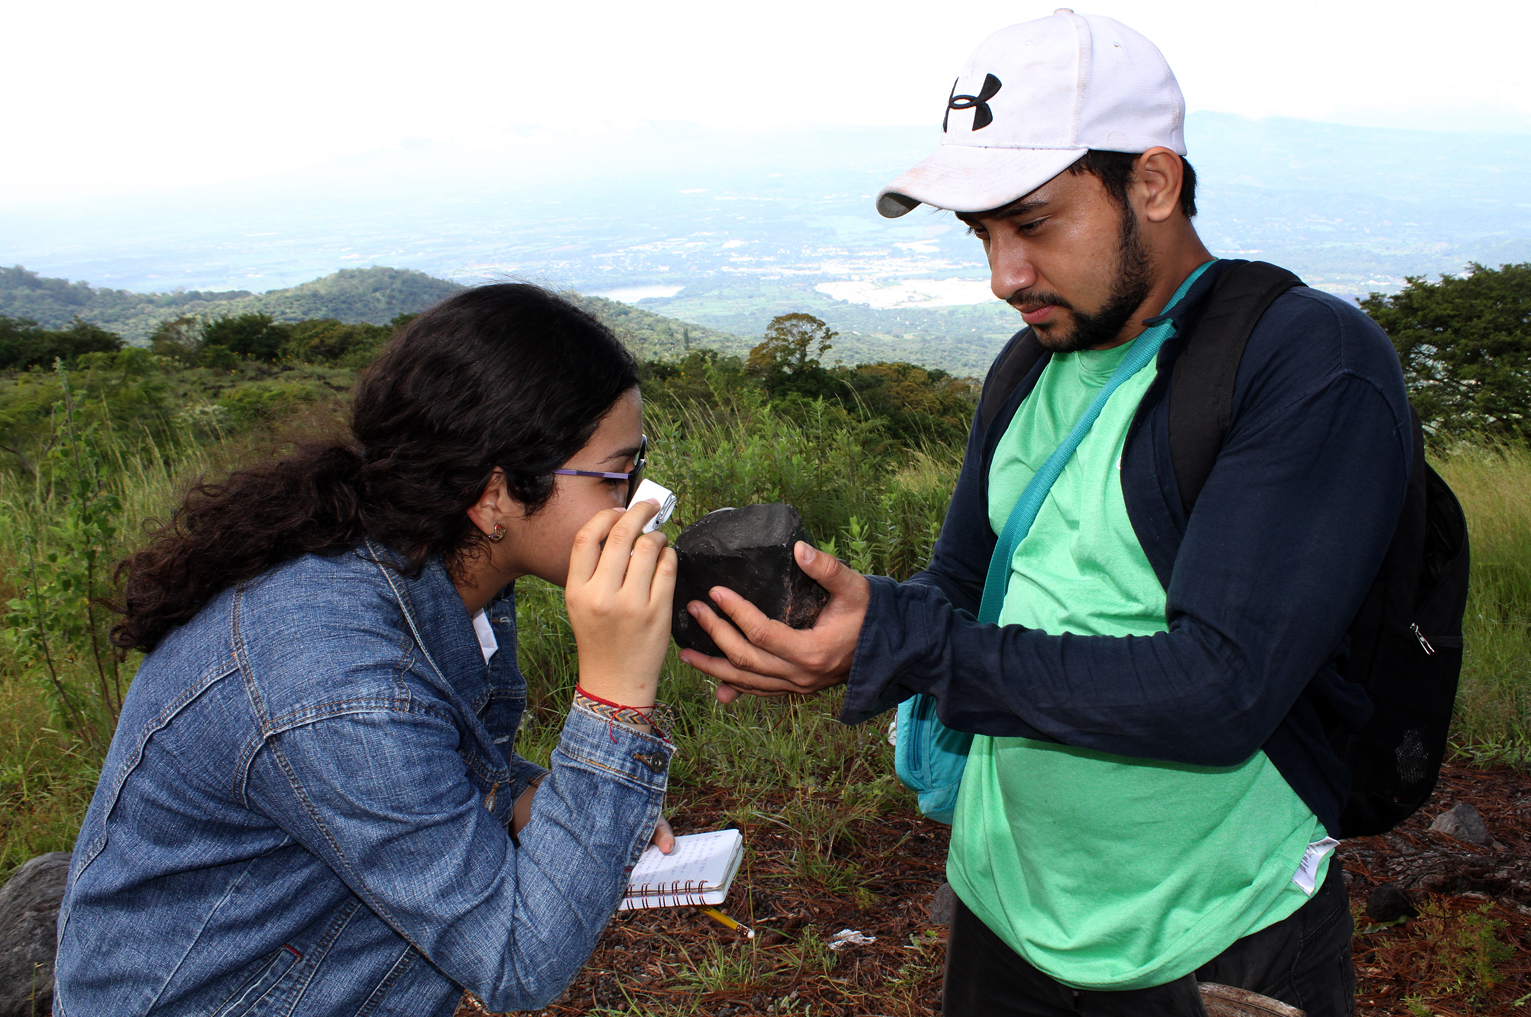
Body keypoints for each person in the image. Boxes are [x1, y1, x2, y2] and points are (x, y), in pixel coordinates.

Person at [679, 12, 1412, 1017]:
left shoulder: (1302, 364)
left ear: (1152, 183)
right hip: (1002, 908)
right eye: (982, 233)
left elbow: (1220, 689)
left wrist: (903, 643)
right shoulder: (1031, 365)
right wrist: (837, 623)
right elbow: (962, 585)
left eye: (1031, 224)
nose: (1003, 276)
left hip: (1212, 933)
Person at [54, 285, 680, 1016]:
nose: (641, 502)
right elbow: (517, 961)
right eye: (616, 475)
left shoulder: (440, 576)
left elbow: (426, 756)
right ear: (494, 496)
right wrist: (615, 699)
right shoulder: (336, 677)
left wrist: (537, 798)